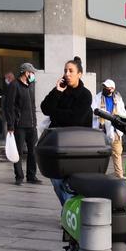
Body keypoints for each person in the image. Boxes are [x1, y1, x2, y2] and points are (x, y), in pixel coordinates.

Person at [40, 56, 93, 204]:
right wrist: (57, 91)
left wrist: (55, 112)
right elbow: (45, 108)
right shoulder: (60, 89)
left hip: (76, 145)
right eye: (65, 71)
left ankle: (70, 210)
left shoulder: (85, 95)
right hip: (57, 143)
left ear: (79, 74)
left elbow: (74, 119)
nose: (67, 74)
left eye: (71, 71)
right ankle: (68, 208)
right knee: (56, 179)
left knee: (73, 180)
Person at [5, 63, 42, 186]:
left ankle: (31, 176)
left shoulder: (31, 85)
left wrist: (35, 122)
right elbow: (9, 107)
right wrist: (10, 125)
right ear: (26, 73)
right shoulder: (14, 85)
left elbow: (32, 105)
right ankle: (19, 176)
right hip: (19, 125)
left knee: (33, 151)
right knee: (18, 152)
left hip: (32, 125)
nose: (33, 75)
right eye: (32, 73)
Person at [92, 79, 126, 179]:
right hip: (102, 129)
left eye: (107, 87)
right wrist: (101, 112)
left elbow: (123, 112)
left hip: (115, 129)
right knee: (100, 153)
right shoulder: (98, 97)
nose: (105, 89)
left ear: (112, 89)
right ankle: (99, 174)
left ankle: (119, 174)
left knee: (117, 153)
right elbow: (93, 109)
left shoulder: (118, 99)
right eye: (104, 87)